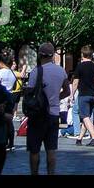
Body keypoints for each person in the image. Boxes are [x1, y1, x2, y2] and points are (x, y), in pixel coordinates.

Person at [23, 43, 68, 175]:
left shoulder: (36, 71)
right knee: (51, 149)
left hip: (37, 114)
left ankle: (35, 173)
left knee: (34, 150)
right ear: (53, 55)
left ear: (39, 55)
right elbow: (67, 91)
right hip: (54, 114)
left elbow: (30, 92)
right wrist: (55, 99)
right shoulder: (61, 71)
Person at [71, 46, 94, 146]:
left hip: (83, 94)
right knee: (87, 117)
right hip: (93, 95)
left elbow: (75, 82)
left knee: (84, 116)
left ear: (82, 54)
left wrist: (72, 94)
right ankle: (79, 138)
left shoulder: (80, 66)